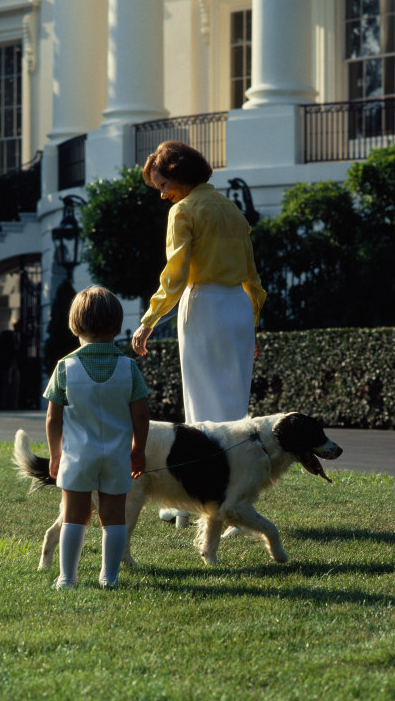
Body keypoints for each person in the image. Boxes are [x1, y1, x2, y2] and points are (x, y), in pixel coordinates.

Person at [131, 141, 266, 526]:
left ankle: (192, 500)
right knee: (234, 409)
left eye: (162, 184)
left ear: (178, 175)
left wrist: (149, 319)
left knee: (202, 408)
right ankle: (232, 499)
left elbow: (174, 276)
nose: (161, 193)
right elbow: (253, 278)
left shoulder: (184, 211)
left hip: (204, 305)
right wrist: (251, 326)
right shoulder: (233, 210)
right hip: (238, 309)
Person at [44, 286, 150, 590]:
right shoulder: (129, 368)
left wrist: (55, 454)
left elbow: (53, 418)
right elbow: (141, 415)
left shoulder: (64, 367)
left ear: (74, 324)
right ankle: (110, 577)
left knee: (75, 517)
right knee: (113, 518)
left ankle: (67, 577)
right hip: (116, 457)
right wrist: (138, 450)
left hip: (78, 456)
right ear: (117, 326)